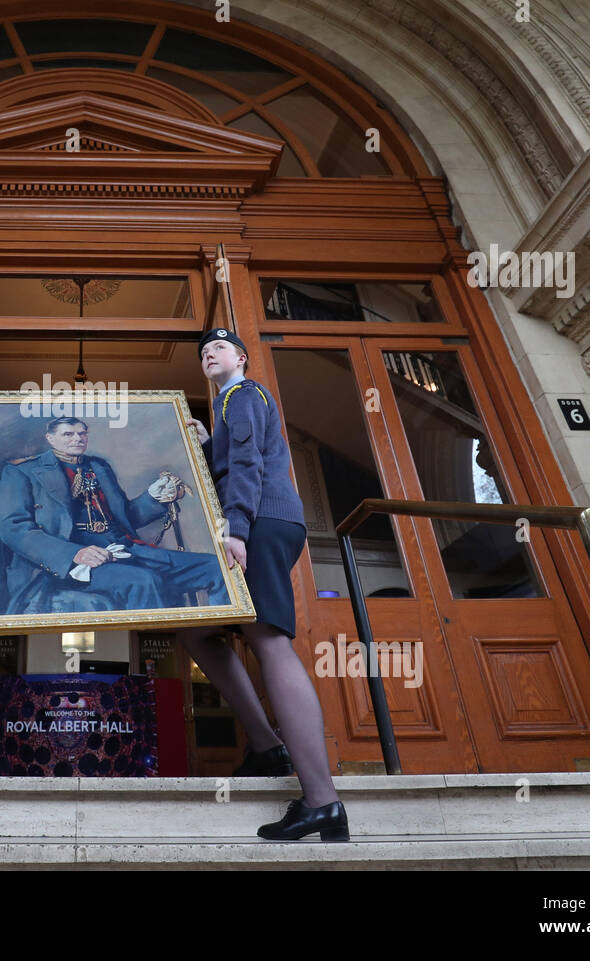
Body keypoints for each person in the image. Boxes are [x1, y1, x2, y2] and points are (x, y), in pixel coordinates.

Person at [181, 328, 348, 841]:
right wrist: (210, 445)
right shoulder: (229, 407)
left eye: (220, 348)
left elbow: (249, 465)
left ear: (242, 358)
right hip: (263, 521)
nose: (210, 354)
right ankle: (264, 744)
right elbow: (235, 462)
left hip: (260, 524)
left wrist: (236, 529)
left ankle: (322, 801)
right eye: (204, 351)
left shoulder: (243, 393)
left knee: (270, 641)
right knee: (198, 633)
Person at [0, 417, 229, 615]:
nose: (77, 439)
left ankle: (221, 634)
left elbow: (124, 517)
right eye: (68, 434)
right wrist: (74, 553)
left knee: (215, 567)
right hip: (68, 563)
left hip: (124, 549)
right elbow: (13, 529)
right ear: (50, 438)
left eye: (82, 434)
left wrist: (155, 497)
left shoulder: (98, 466)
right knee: (144, 581)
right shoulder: (21, 471)